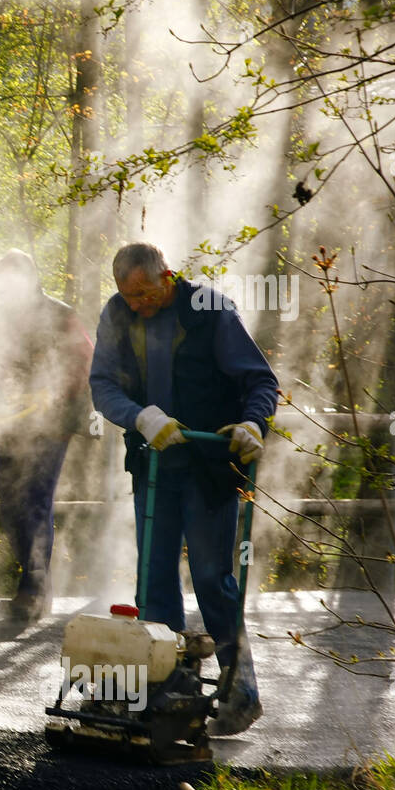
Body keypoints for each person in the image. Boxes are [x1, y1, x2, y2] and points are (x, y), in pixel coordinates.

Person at [89, 242, 278, 735]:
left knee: (214, 576)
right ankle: (171, 688)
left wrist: (254, 425)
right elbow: (103, 386)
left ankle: (241, 687)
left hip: (210, 464)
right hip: (153, 463)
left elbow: (260, 381)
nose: (137, 305)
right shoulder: (115, 315)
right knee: (153, 581)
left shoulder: (210, 310)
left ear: (167, 277)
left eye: (145, 293)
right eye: (128, 296)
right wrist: (141, 417)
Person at [0, 249, 94, 623]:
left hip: (53, 422)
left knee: (34, 499)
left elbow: (83, 360)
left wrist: (56, 393)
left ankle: (34, 591)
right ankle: (29, 584)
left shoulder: (60, 314)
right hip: (13, 421)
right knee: (10, 503)